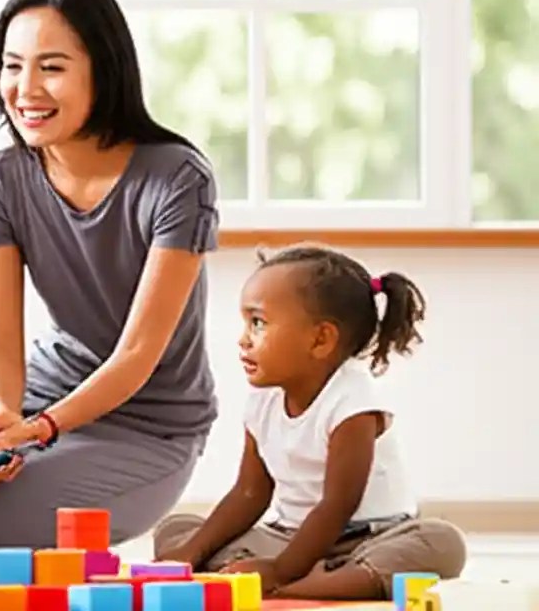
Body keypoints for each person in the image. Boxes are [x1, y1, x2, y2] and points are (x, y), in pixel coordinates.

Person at [0, 0, 222, 554]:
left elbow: (137, 355)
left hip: (149, 429)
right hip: (41, 407)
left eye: (51, 67)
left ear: (103, 72)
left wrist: (42, 429)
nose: (26, 87)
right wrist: (3, 417)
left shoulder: (178, 178)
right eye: (12, 65)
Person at [153, 244, 467, 600]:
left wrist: (281, 570)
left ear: (320, 339)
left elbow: (338, 503)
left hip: (367, 538)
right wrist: (191, 551)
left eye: (258, 323)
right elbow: (249, 493)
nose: (243, 339)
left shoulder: (353, 403)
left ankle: (294, 586)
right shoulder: (263, 402)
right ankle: (306, 580)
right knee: (177, 529)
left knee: (442, 541)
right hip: (289, 536)